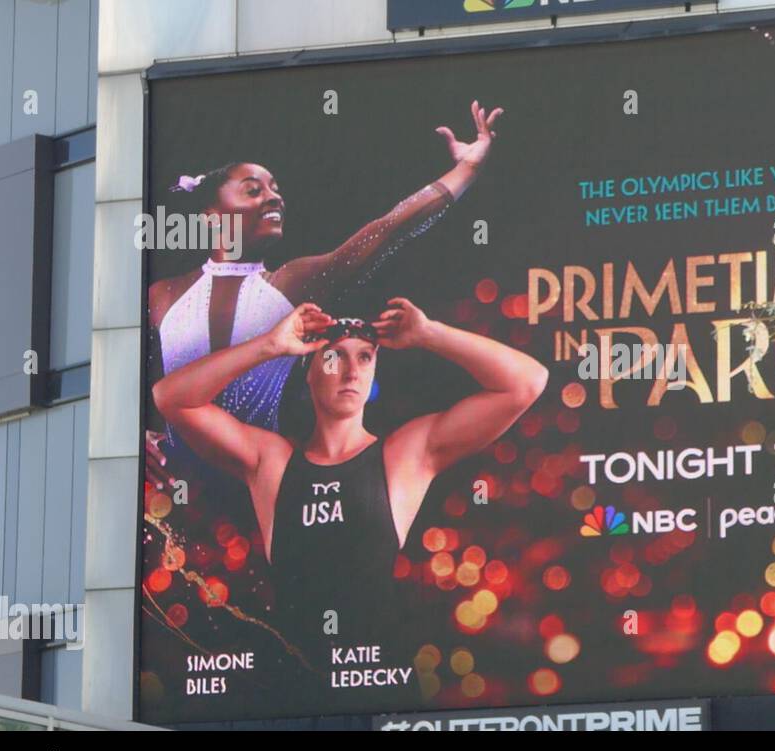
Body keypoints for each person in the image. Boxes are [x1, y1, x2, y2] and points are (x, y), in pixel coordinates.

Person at [152, 298, 548, 667]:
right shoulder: (272, 462)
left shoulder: (403, 456)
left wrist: (431, 333)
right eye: (334, 357)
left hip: (379, 688)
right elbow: (171, 398)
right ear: (308, 372)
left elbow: (526, 382)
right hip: (289, 695)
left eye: (365, 357)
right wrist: (269, 345)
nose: (352, 371)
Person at [145, 101, 505, 487]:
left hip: (259, 490)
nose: (273, 197)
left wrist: (466, 170)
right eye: (253, 190)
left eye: (275, 189)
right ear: (211, 216)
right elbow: (121, 382)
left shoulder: (293, 284)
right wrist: (136, 438)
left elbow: (387, 230)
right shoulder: (163, 296)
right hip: (176, 495)